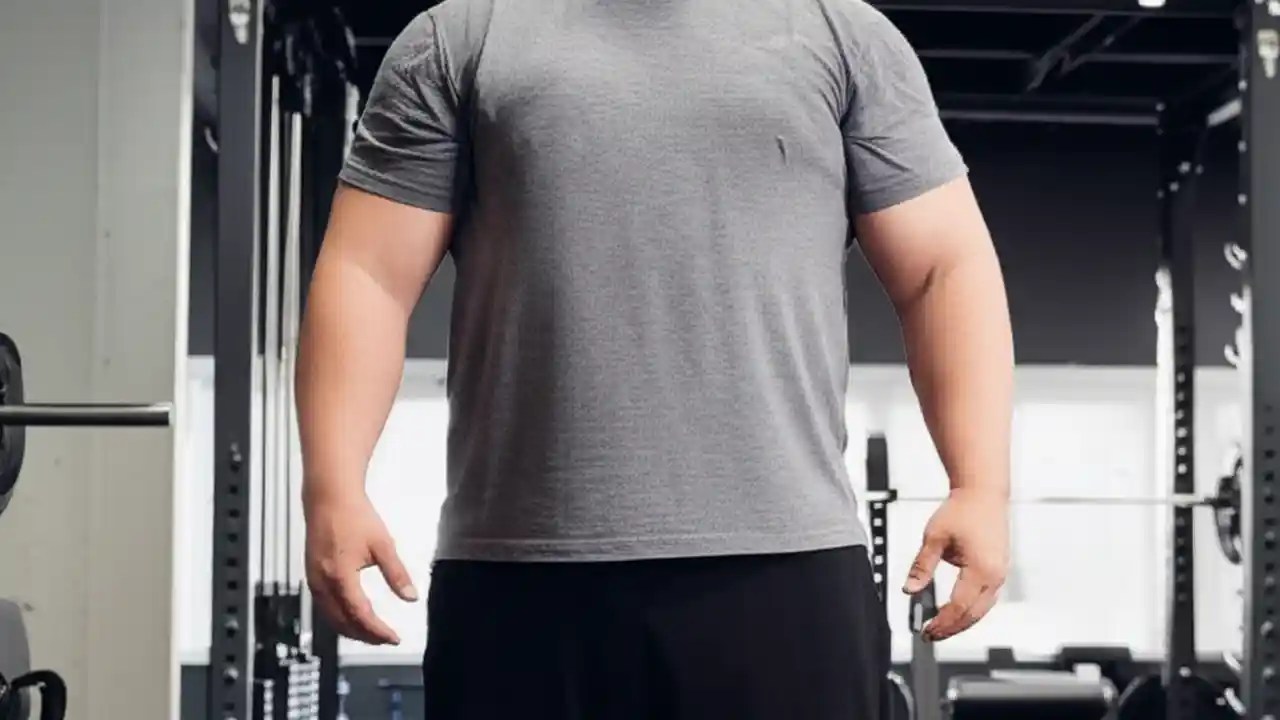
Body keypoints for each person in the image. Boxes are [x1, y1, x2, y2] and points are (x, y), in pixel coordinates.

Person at [297, 0, 1013, 716]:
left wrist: (981, 485)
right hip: (520, 574)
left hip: (782, 573)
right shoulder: (460, 37)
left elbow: (942, 267)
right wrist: (333, 486)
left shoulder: (840, 34)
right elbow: (370, 274)